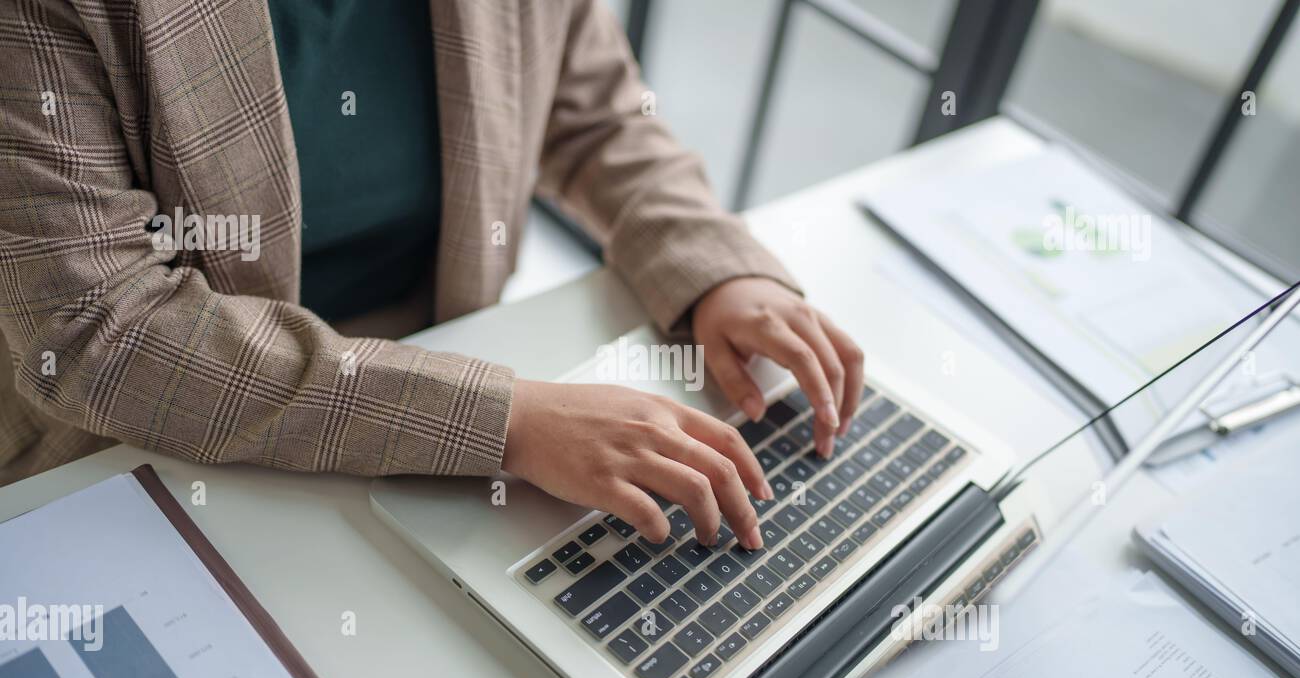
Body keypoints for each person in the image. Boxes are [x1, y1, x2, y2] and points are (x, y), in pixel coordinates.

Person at [0, 0, 862, 552]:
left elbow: (598, 115)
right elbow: (97, 330)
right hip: (137, 458)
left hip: (432, 421)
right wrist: (505, 418)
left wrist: (717, 269)